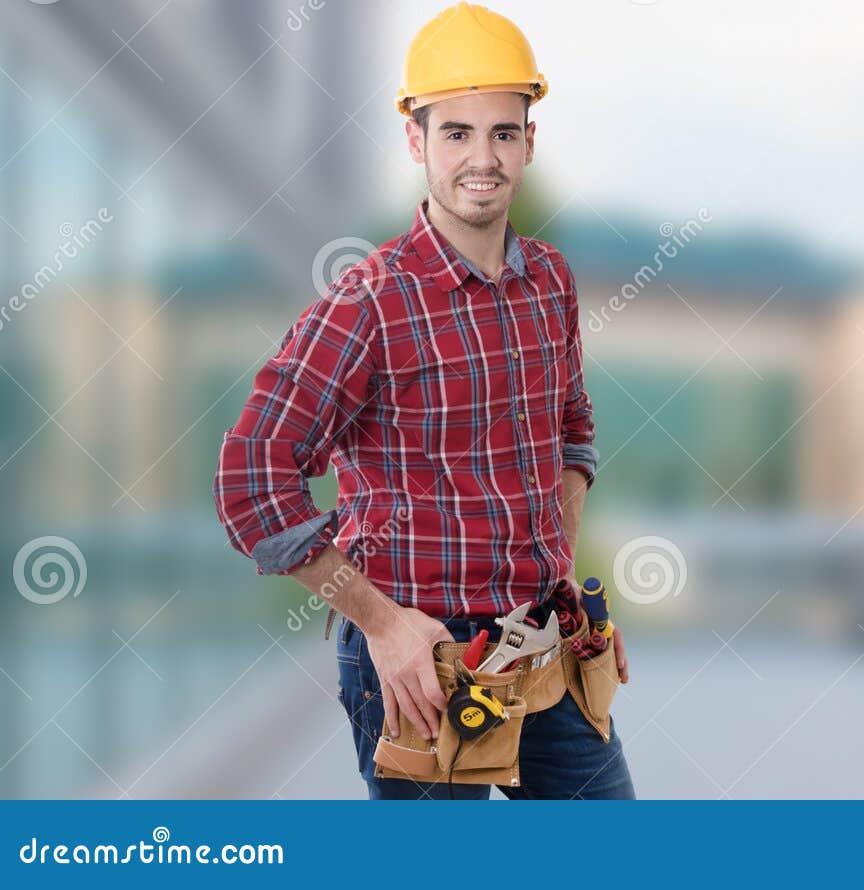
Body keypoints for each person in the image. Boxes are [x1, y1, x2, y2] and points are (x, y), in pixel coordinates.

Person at [213, 2, 634, 799]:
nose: (484, 157)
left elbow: (571, 433)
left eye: (503, 132)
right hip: (421, 663)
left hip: (544, 643)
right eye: (457, 132)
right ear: (415, 140)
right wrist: (381, 623)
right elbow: (249, 481)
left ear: (530, 142)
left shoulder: (550, 282)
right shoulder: (368, 303)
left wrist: (562, 579)